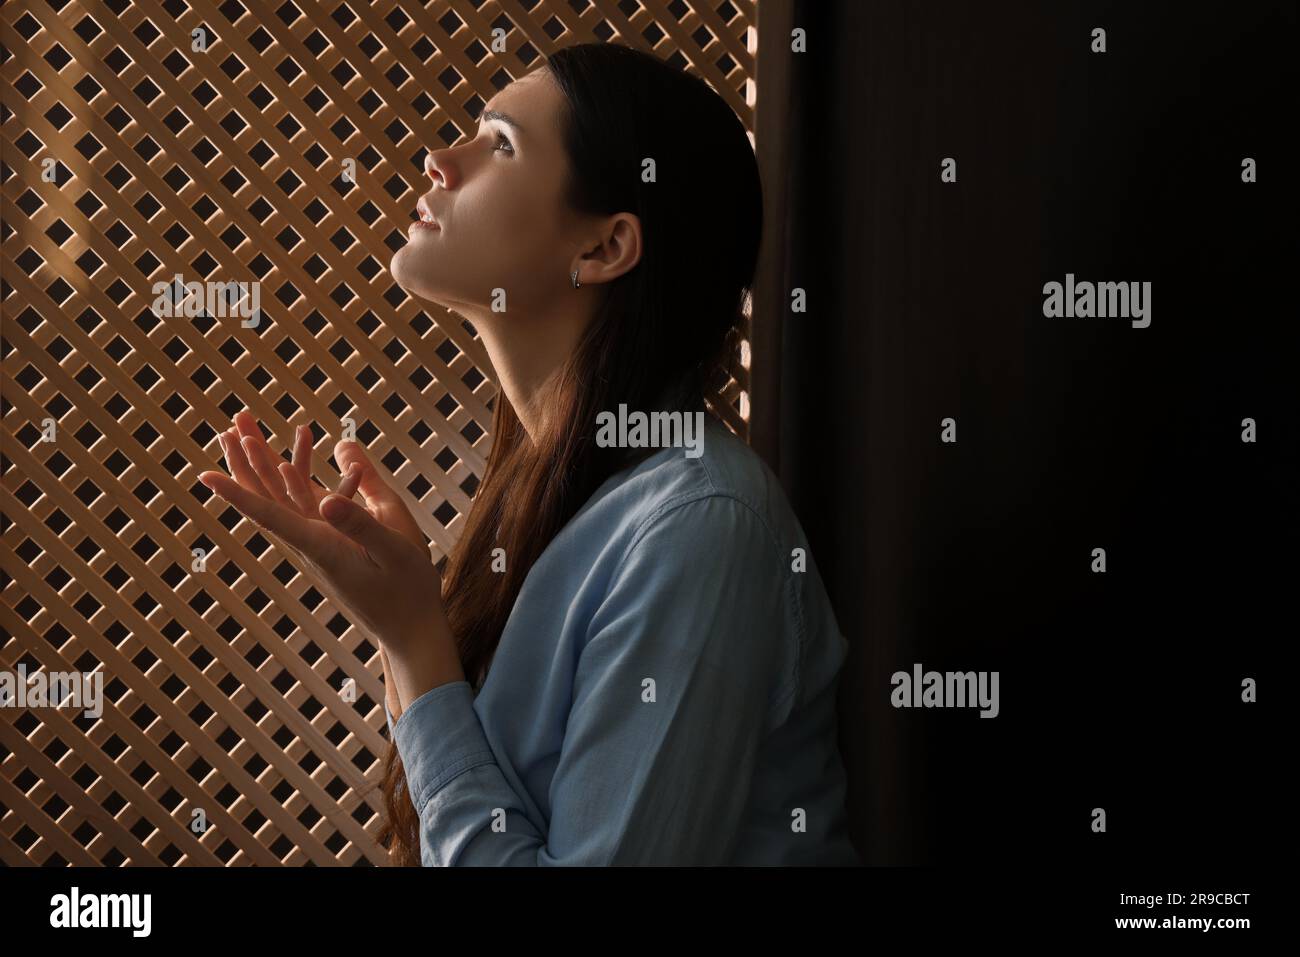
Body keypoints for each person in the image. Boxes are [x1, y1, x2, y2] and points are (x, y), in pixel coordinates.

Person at [198, 41, 859, 866]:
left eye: (501, 145)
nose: (439, 160)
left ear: (604, 249)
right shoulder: (559, 499)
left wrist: (416, 642)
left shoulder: (702, 528)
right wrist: (407, 627)